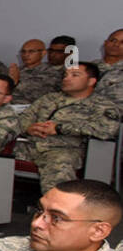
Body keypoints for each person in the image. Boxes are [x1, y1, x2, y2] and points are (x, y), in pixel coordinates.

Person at [16, 63, 121, 193]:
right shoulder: (49, 98)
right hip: (29, 145)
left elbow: (107, 130)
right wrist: (29, 128)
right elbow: (22, 119)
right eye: (65, 75)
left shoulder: (102, 106)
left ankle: (56, 211)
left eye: (74, 75)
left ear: (91, 81)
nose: (66, 78)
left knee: (59, 170)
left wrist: (60, 128)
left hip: (64, 150)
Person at [9, 39, 62, 105]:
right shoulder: (17, 70)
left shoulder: (50, 73)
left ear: (43, 53)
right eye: (23, 52)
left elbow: (33, 93)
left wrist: (14, 81)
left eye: (31, 51)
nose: (26, 55)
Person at [90, 28, 123, 110]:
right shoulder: (87, 68)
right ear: (105, 43)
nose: (116, 44)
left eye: (122, 42)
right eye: (113, 40)